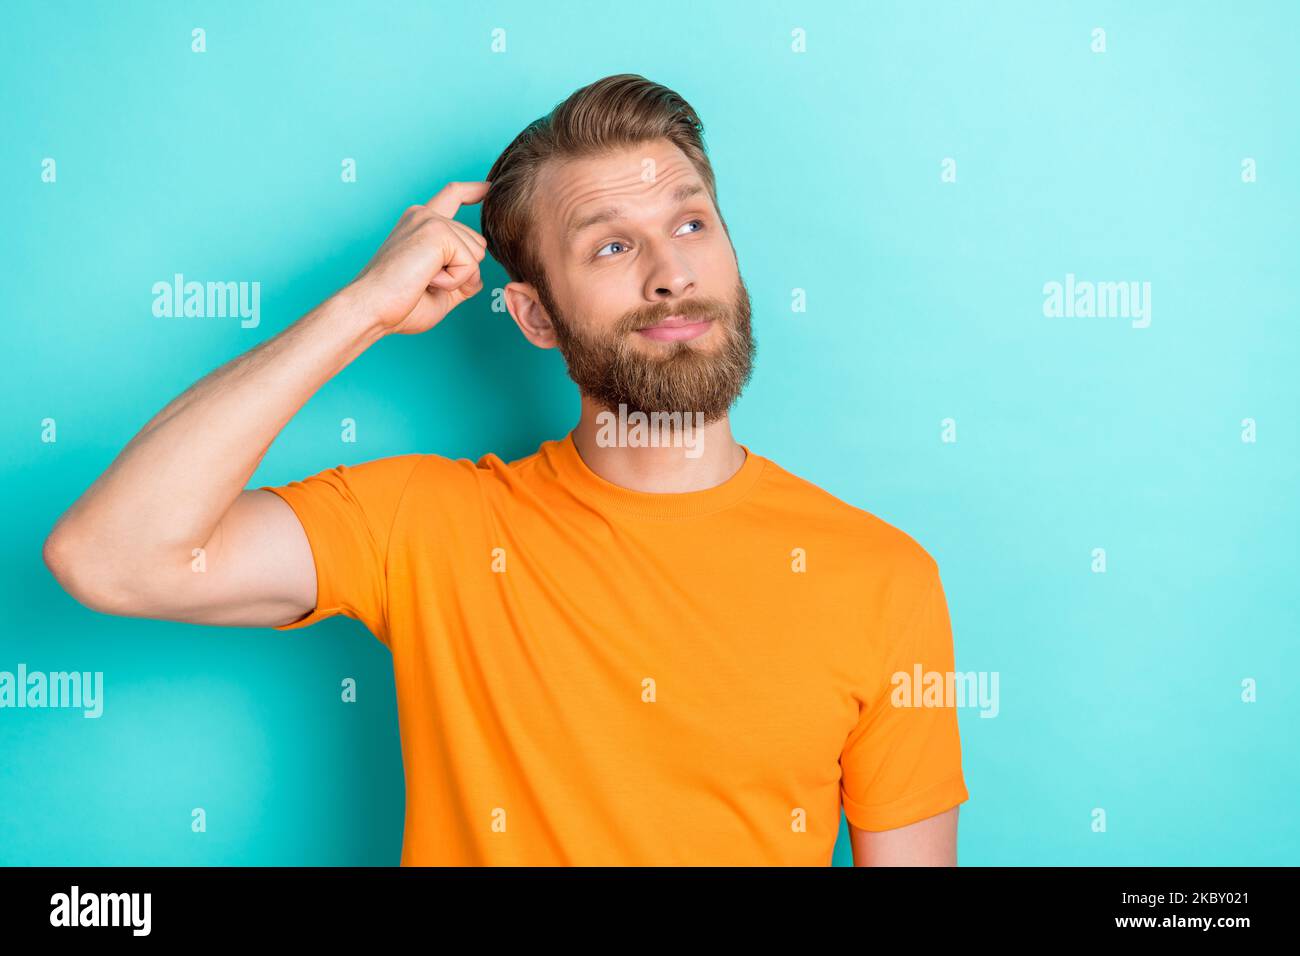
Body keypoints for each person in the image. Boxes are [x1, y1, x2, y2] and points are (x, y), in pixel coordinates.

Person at [42, 73, 969, 866]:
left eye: (691, 223)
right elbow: (109, 556)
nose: (669, 273)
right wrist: (363, 309)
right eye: (611, 244)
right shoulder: (425, 524)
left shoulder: (881, 577)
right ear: (532, 317)